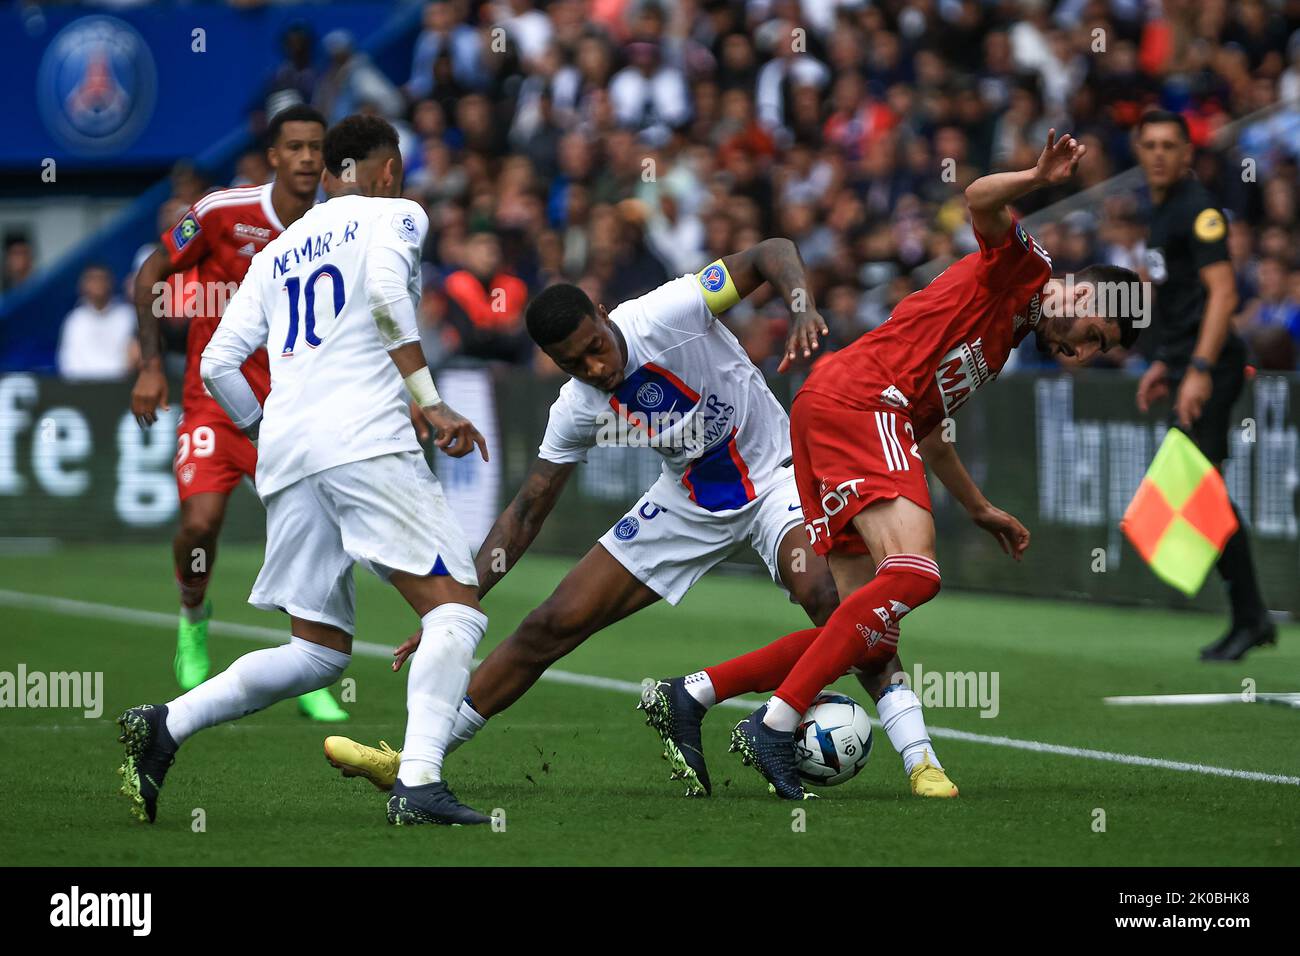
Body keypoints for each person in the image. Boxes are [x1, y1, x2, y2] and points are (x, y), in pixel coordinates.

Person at [324, 235, 958, 799]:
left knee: (827, 594)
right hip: (688, 498)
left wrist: (801, 306)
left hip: (777, 476)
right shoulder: (575, 406)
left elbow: (773, 251)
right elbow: (525, 511)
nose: (596, 368)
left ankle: (919, 757)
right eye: (575, 364)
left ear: (605, 316)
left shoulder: (672, 308)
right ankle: (415, 761)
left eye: (596, 348)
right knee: (550, 624)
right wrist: (458, 605)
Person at [723, 130, 1144, 799]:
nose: (1083, 351)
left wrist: (977, 507)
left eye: (1099, 351)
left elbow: (933, 436)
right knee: (916, 573)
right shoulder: (1027, 270)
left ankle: (701, 693)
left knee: (865, 621)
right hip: (864, 400)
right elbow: (978, 199)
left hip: (834, 407)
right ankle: (775, 724)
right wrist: (1038, 173)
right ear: (1084, 296)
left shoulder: (1004, 339)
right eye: (1095, 335)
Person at [116, 114, 493, 827]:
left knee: (317, 653)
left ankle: (164, 725)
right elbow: (386, 298)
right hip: (365, 441)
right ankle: (418, 785)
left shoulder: (281, 247)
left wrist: (270, 430)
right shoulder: (396, 214)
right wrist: (432, 403)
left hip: (287, 453)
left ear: (328, 172)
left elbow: (219, 362)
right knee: (455, 609)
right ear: (386, 172)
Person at [129, 105, 348, 722]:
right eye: (296, 147)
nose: (307, 159)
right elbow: (152, 273)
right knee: (200, 525)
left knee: (314, 540)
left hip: (298, 411)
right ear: (274, 156)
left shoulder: (340, 224)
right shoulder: (221, 212)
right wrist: (151, 364)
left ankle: (308, 666)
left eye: (316, 149)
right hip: (217, 403)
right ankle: (193, 616)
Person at [1133, 110, 1275, 661]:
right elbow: (1182, 301)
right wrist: (1167, 364)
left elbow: (1222, 294)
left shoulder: (1198, 210)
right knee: (1202, 490)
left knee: (1199, 491)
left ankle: (1252, 616)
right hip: (1192, 362)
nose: (1160, 153)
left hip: (1213, 367)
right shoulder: (1162, 210)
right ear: (1138, 151)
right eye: (1150, 145)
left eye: (1170, 144)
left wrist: (1195, 369)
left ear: (1188, 153)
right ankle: (1251, 616)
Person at [57, 264, 137, 382]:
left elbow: (135, 356)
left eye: (102, 279)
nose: (98, 284)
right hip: (82, 388)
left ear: (111, 282)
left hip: (120, 387)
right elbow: (67, 362)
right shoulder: (74, 320)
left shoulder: (128, 316)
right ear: (83, 285)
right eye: (93, 279)